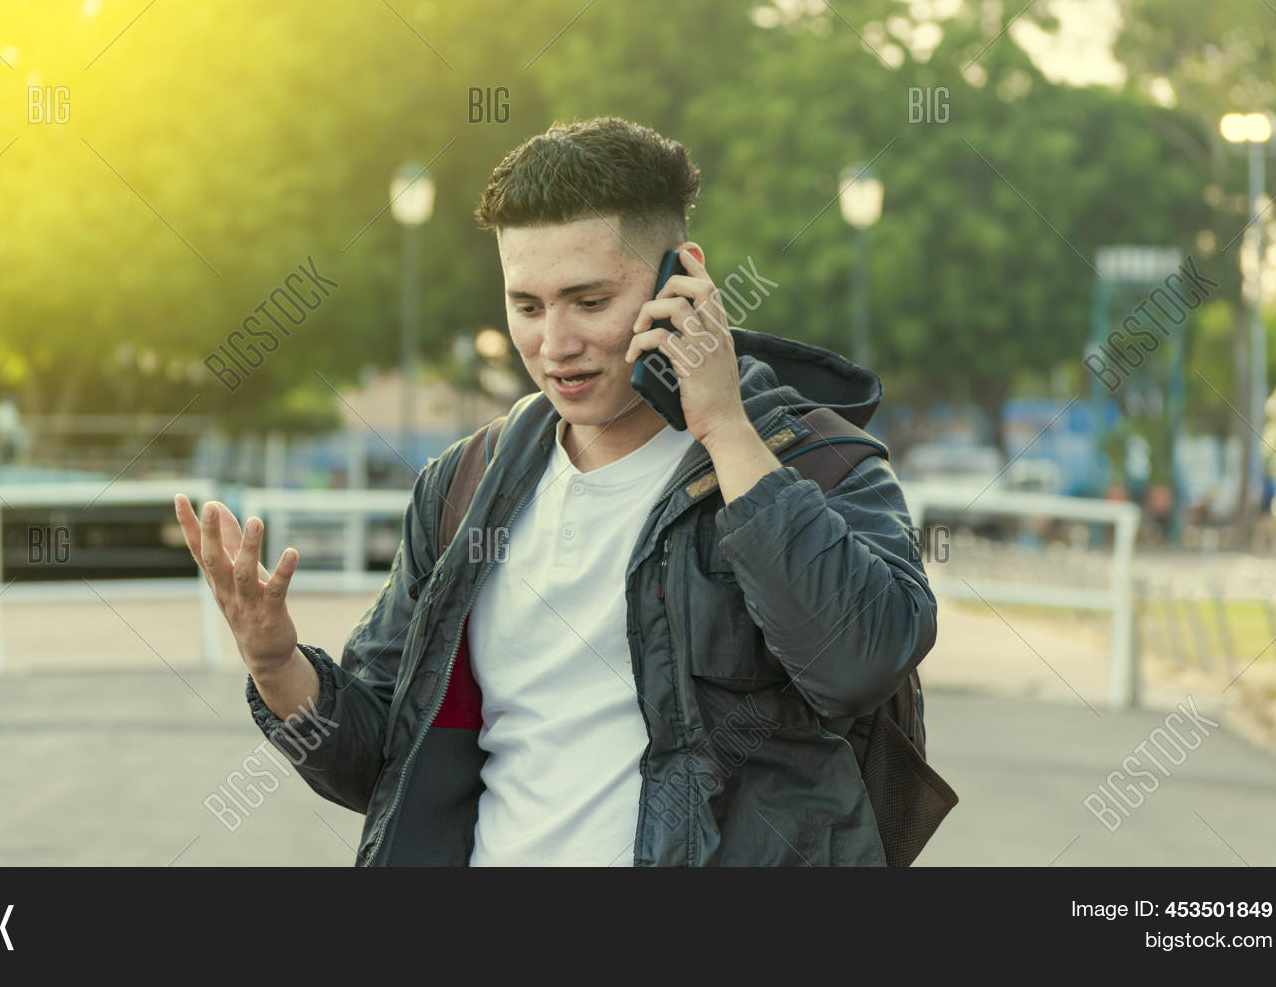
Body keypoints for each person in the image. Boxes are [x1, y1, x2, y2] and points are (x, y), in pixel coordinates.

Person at [174, 116, 937, 866]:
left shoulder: (814, 459)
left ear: (685, 277)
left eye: (589, 301)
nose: (554, 343)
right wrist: (277, 667)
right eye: (527, 306)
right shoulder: (465, 484)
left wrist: (725, 428)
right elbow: (385, 764)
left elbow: (861, 661)